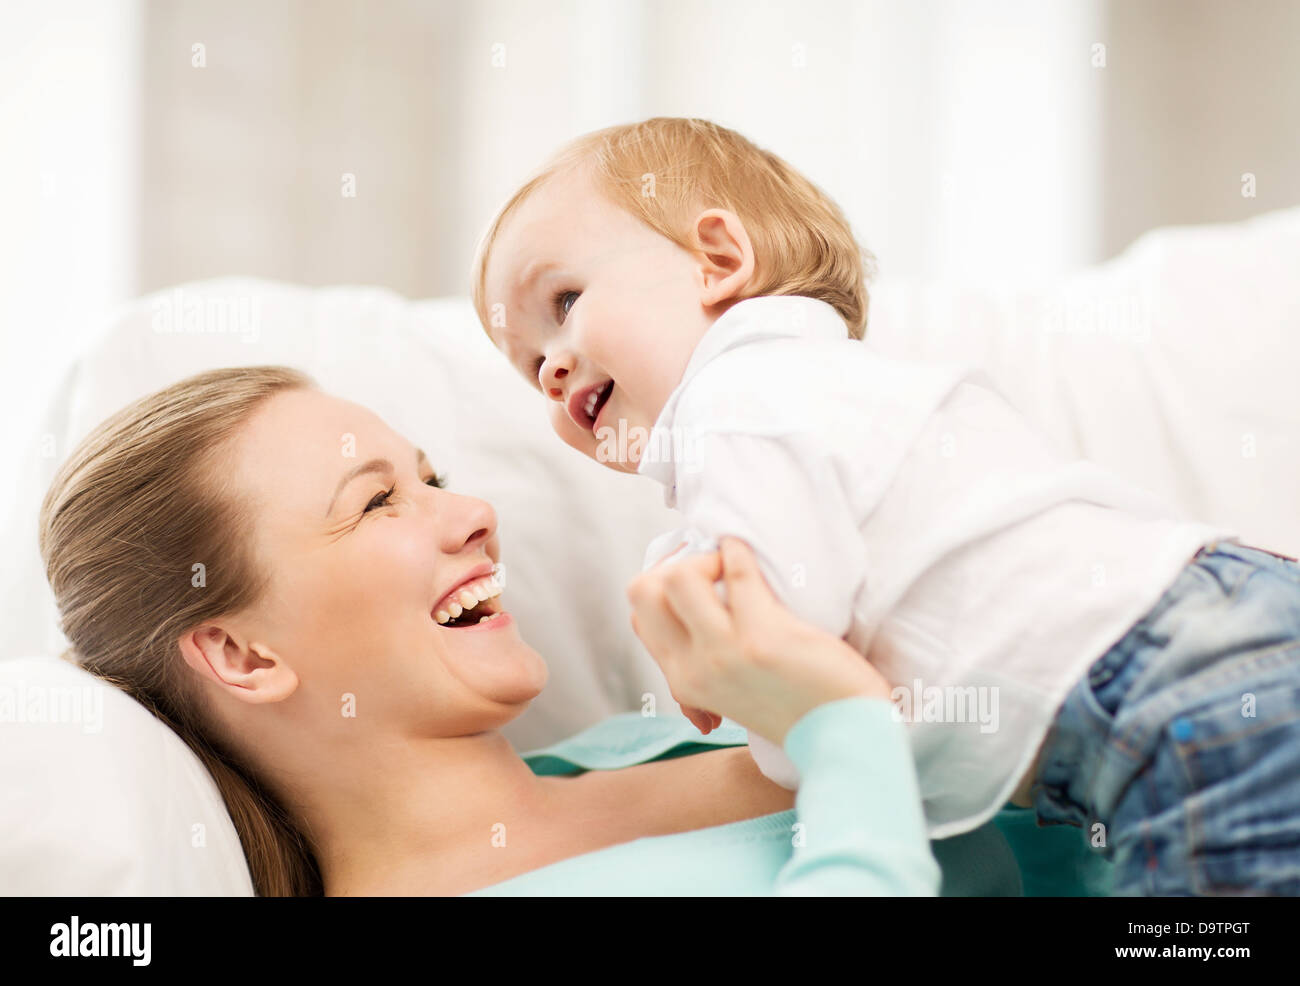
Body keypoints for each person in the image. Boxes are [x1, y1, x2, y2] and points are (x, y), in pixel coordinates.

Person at [473, 116, 1300, 895]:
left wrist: (715, 646)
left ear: (719, 260)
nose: (550, 367)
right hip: (1210, 640)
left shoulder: (738, 401)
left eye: (566, 304)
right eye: (528, 363)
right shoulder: (807, 393)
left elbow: (797, 647)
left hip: (1182, 688)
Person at [39, 365, 1033, 896]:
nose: (467, 510)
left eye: (427, 474)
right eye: (378, 501)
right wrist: (842, 723)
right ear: (243, 654)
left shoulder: (623, 747)